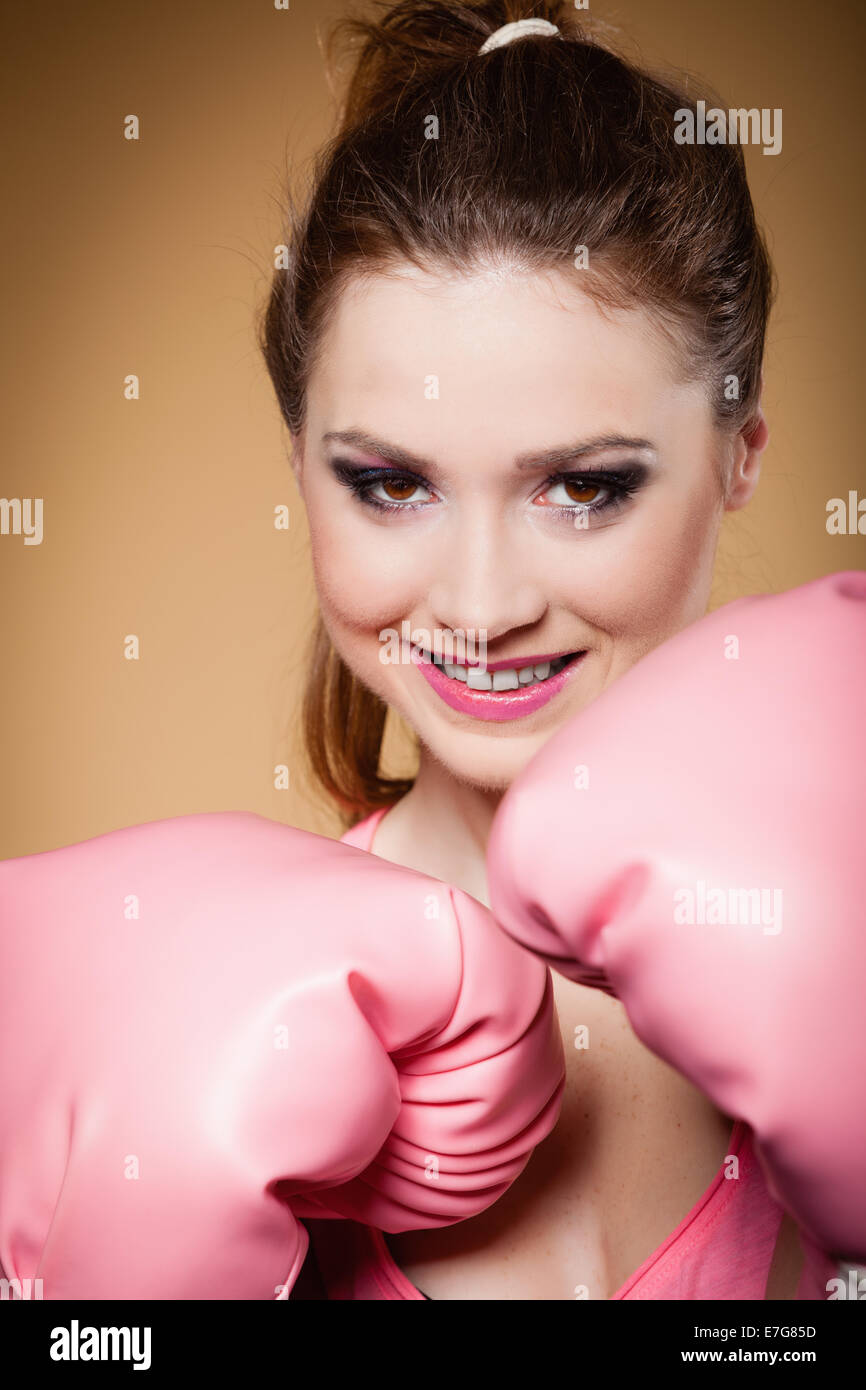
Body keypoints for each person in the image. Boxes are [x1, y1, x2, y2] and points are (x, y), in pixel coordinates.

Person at [261, 1, 808, 1299]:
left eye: (582, 486)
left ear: (737, 458)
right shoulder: (225, 1007)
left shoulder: (824, 950)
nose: (481, 599)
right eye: (391, 484)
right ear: (301, 468)